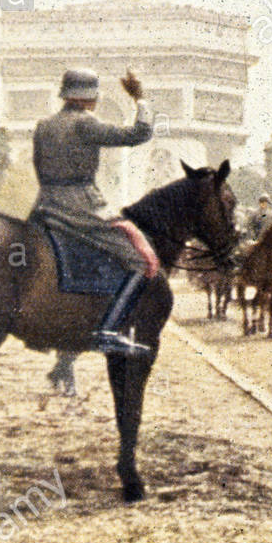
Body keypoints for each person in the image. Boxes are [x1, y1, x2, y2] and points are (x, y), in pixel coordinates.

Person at [29, 67, 156, 358]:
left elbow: (38, 165)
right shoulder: (86, 124)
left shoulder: (43, 125)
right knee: (139, 260)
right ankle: (108, 330)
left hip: (44, 204)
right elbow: (139, 133)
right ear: (89, 98)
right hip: (81, 206)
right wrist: (140, 99)